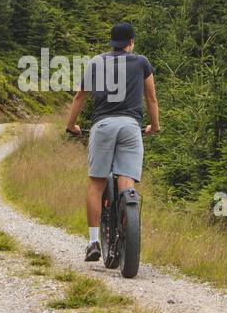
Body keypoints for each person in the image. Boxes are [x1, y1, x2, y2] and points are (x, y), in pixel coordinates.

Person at [65, 22, 160, 261]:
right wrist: (154, 126)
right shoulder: (142, 62)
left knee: (96, 183)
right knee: (127, 181)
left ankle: (93, 242)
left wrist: (71, 125)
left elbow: (80, 96)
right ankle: (127, 222)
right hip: (131, 127)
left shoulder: (97, 62)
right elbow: (151, 98)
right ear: (131, 42)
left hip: (103, 126)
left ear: (112, 43)